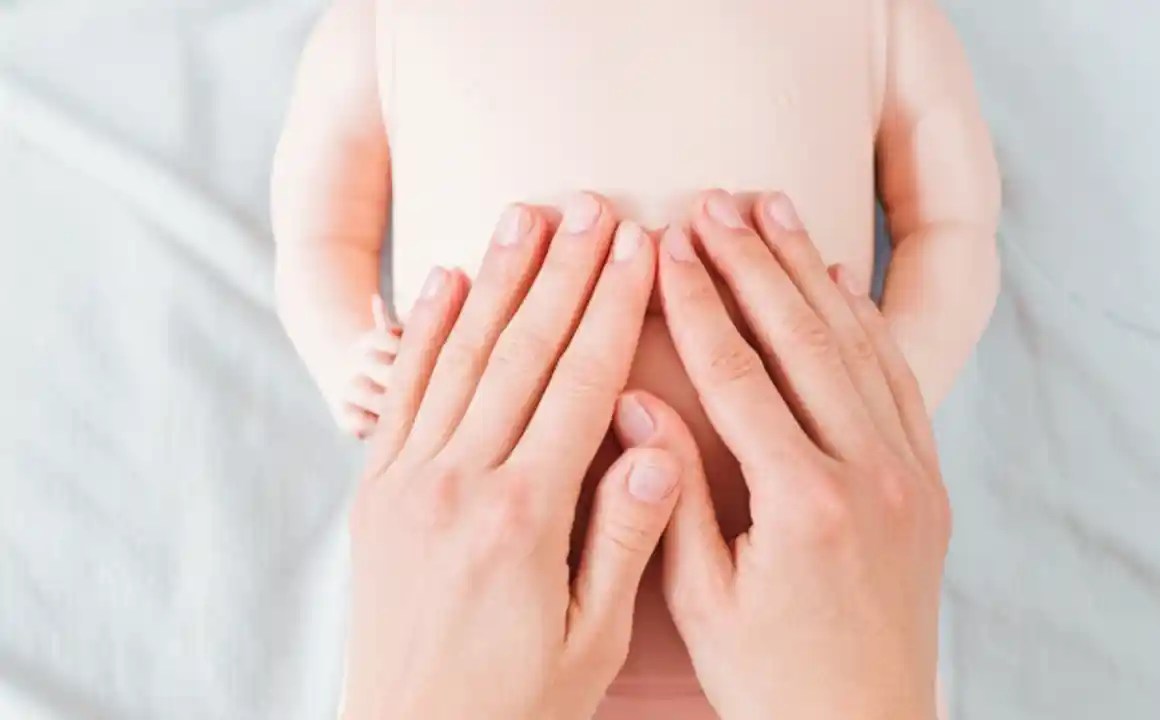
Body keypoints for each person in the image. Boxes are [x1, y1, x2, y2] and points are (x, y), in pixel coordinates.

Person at [273, 1, 997, 714]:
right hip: (479, 636)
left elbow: (953, 229)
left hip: (828, 642)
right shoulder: (383, 24)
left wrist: (898, 382)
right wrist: (345, 353)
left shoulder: (881, 19)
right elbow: (316, 237)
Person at [342, 196, 952, 719]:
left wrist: (347, 356)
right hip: (841, 639)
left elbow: (323, 228)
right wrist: (889, 392)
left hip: (457, 631)